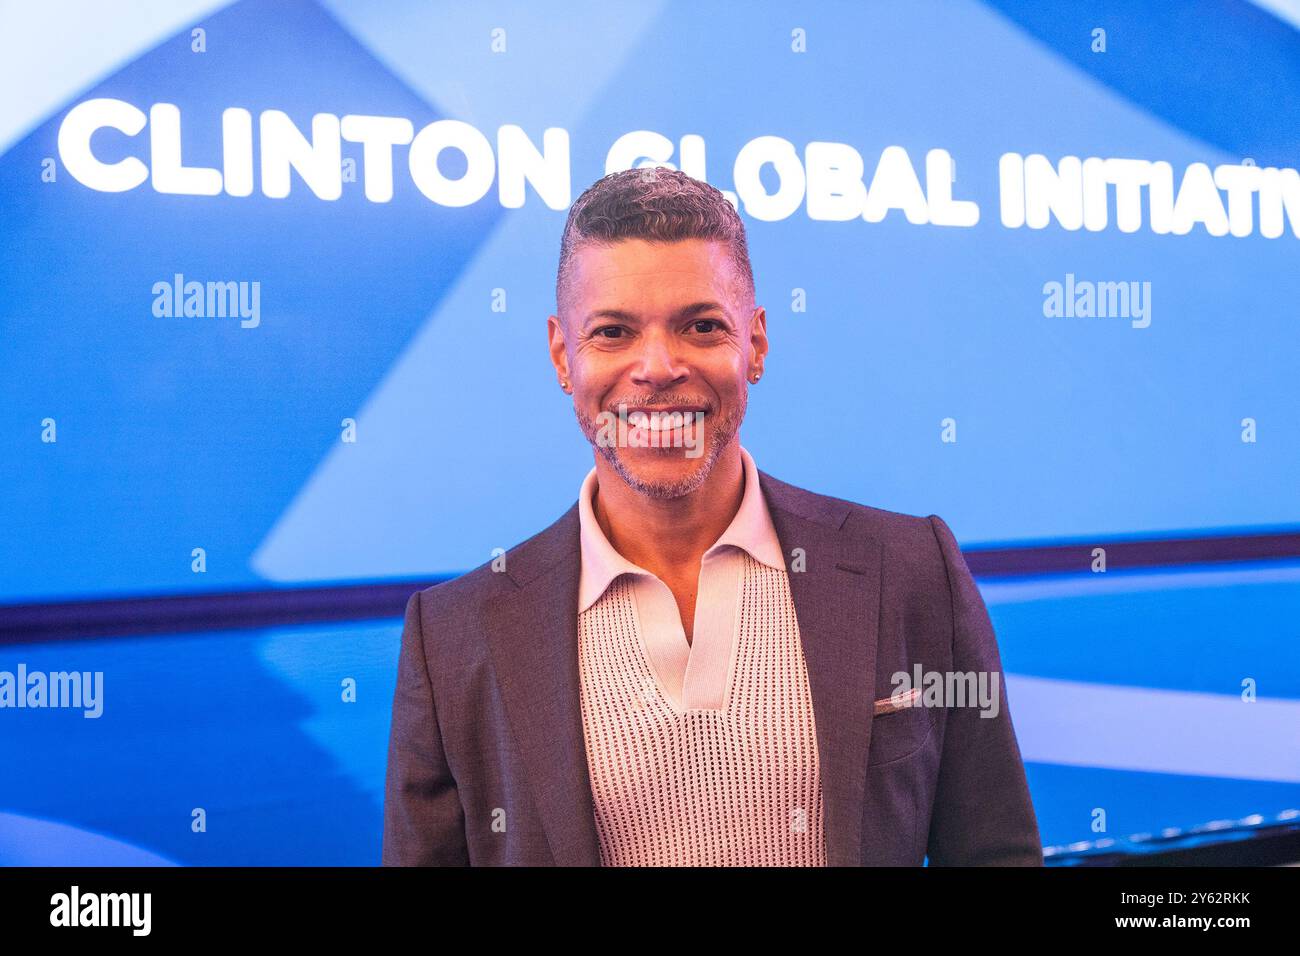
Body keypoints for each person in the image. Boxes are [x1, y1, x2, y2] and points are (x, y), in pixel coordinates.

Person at [382, 167, 1041, 866]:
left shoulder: (914, 570)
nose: (658, 368)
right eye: (613, 332)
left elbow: (995, 852)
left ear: (753, 343)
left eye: (701, 326)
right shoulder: (452, 634)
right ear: (561, 355)